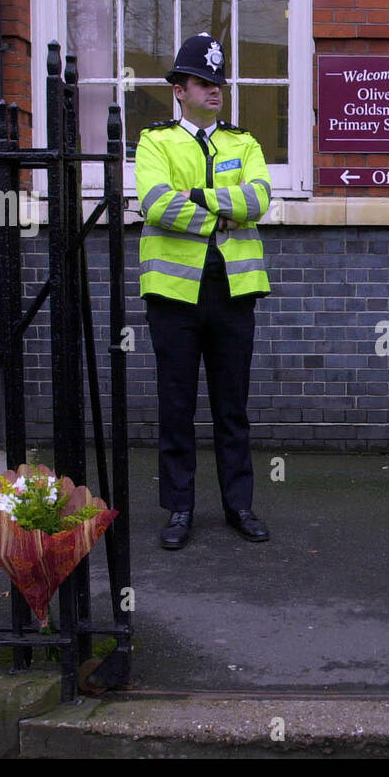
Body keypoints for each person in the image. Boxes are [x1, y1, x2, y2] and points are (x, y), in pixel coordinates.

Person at [135, 32, 273, 548]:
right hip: (174, 296)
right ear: (178, 89)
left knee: (231, 407)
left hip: (234, 291)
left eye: (218, 81)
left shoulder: (244, 141)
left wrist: (197, 195)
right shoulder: (155, 141)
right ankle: (179, 509)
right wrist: (220, 214)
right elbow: (154, 202)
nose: (214, 90)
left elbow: (259, 199)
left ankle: (239, 505)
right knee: (176, 406)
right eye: (202, 81)